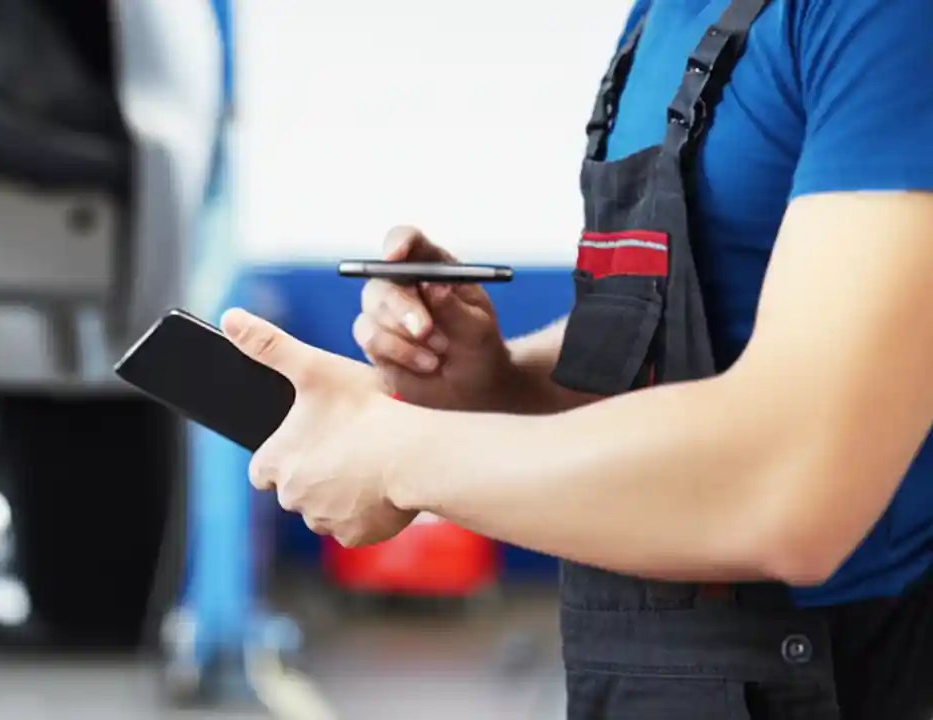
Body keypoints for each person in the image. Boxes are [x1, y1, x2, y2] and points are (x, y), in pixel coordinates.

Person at [218, 0, 933, 717]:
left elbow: (794, 484)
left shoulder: (882, 18)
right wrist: (499, 379)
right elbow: (686, 346)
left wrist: (396, 455)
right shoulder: (656, 21)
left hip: (847, 676)